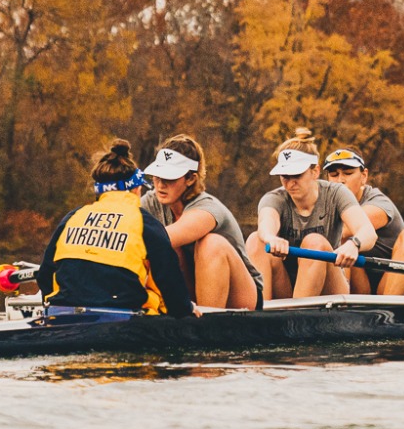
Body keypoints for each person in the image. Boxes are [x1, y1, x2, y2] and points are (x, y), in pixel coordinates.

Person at [35, 139, 196, 316]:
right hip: (122, 321)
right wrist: (186, 311)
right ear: (136, 190)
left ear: (100, 191)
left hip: (63, 316)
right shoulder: (145, 223)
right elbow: (170, 284)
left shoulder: (72, 217)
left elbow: (44, 276)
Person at [247, 130, 381, 299]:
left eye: (297, 174)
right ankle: (259, 317)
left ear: (315, 171)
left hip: (329, 285)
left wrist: (354, 245)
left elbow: (368, 232)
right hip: (287, 288)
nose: (291, 182)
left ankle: (296, 321)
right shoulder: (274, 199)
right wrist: (270, 238)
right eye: (285, 176)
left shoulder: (336, 193)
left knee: (314, 241)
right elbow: (266, 223)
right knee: (255, 240)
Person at [141, 134, 263, 310]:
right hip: (192, 292)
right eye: (157, 176)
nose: (160, 185)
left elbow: (162, 238)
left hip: (241, 298)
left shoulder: (207, 208)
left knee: (209, 243)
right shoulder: (152, 201)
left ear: (190, 179)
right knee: (166, 247)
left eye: (169, 178)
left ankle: (205, 328)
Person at [321, 147, 404, 295]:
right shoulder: (322, 205)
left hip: (393, 288)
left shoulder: (378, 203)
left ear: (364, 176)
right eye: (334, 175)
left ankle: (386, 314)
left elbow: (343, 229)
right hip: (360, 287)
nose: (340, 180)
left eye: (348, 173)